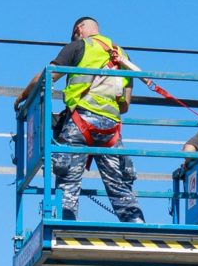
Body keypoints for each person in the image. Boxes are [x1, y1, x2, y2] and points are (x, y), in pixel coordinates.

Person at [23, 15, 145, 222]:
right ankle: (137, 226)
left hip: (80, 122)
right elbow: (124, 105)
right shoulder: (124, 56)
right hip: (111, 130)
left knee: (68, 181)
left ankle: (65, 226)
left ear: (79, 29)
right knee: (119, 185)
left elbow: (47, 76)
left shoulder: (79, 46)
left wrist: (22, 97)